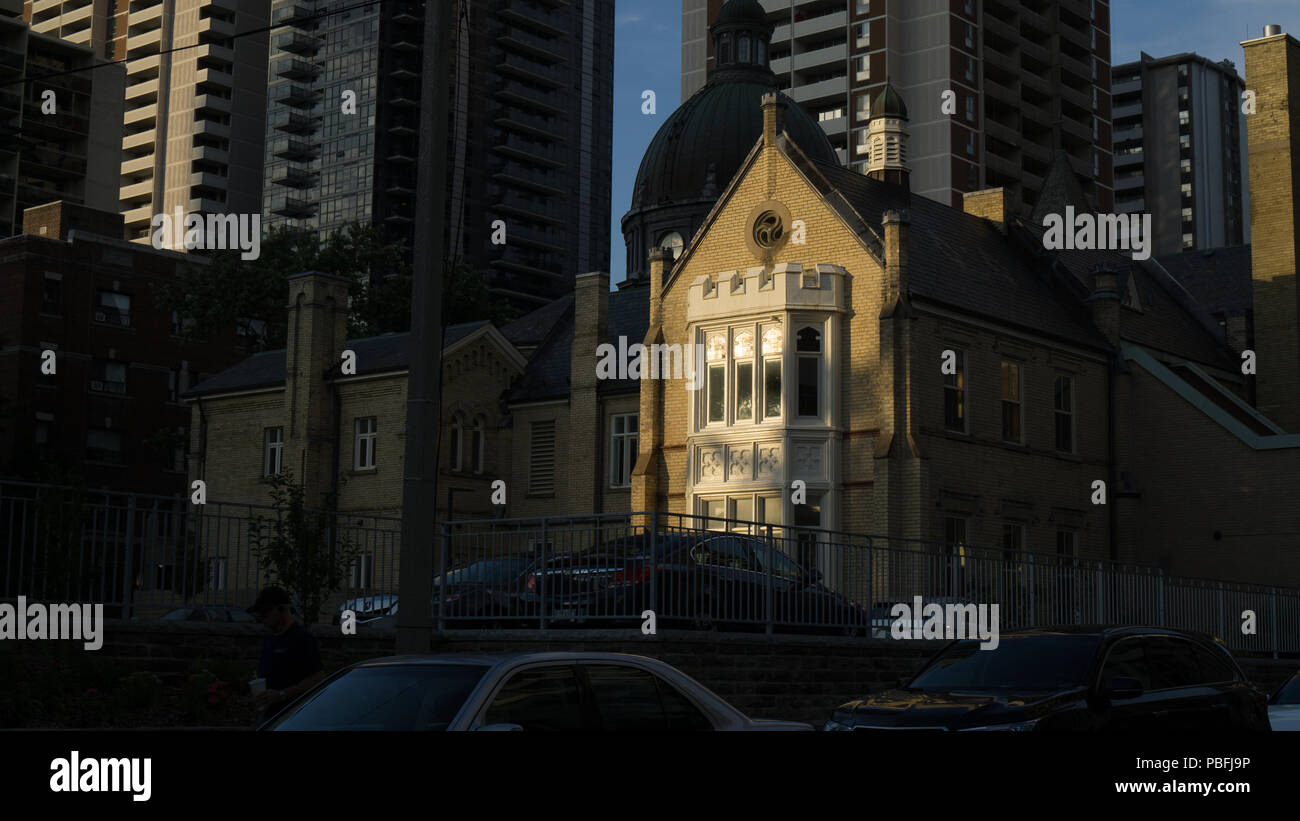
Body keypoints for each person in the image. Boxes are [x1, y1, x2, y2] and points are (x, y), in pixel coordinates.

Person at [247, 587, 325, 727]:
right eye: (260, 613)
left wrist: (282, 694)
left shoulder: (301, 638)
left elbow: (317, 678)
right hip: (270, 716)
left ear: (282, 610)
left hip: (295, 717)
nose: (262, 618)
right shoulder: (270, 639)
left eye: (265, 612)